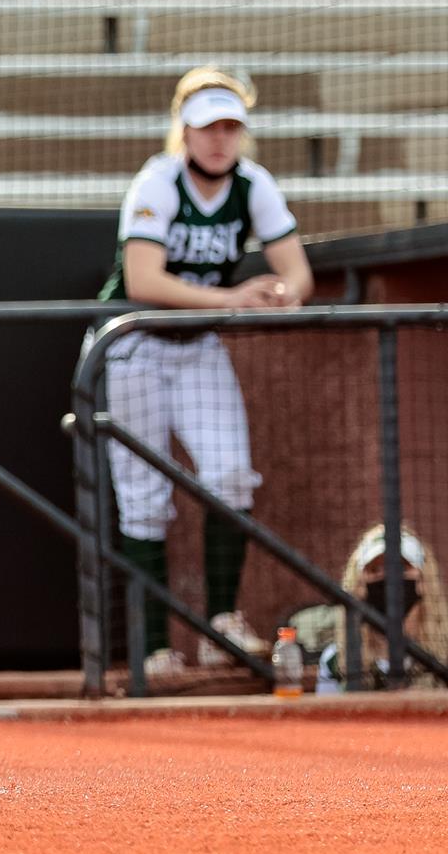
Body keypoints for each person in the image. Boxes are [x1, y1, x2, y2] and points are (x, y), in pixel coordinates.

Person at [96, 68, 313, 680]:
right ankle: (153, 644)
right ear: (183, 131)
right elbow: (144, 280)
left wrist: (281, 295)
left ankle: (222, 622)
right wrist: (234, 300)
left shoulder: (253, 184)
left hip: (197, 347)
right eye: (207, 128)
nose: (219, 140)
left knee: (229, 475)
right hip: (135, 343)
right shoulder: (157, 181)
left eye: (230, 127)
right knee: (142, 496)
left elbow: (297, 271)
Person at [290, 524, 447, 692]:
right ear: (360, 585)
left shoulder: (443, 655)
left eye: (401, 567)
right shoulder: (336, 661)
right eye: (375, 569)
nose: (388, 576)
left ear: (423, 580)